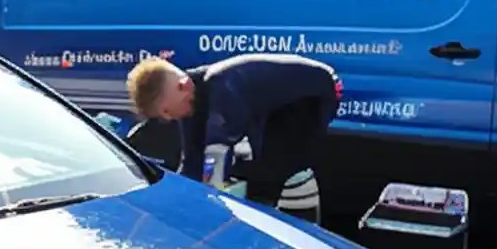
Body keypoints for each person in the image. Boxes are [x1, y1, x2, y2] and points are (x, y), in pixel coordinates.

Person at [126, 53, 343, 212]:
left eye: (165, 111)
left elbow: (216, 155)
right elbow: (192, 160)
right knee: (253, 166)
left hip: (312, 97)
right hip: (273, 104)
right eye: (161, 116)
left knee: (270, 170)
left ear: (183, 87)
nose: (167, 118)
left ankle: (282, 216)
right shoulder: (191, 98)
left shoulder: (223, 87)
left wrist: (206, 206)